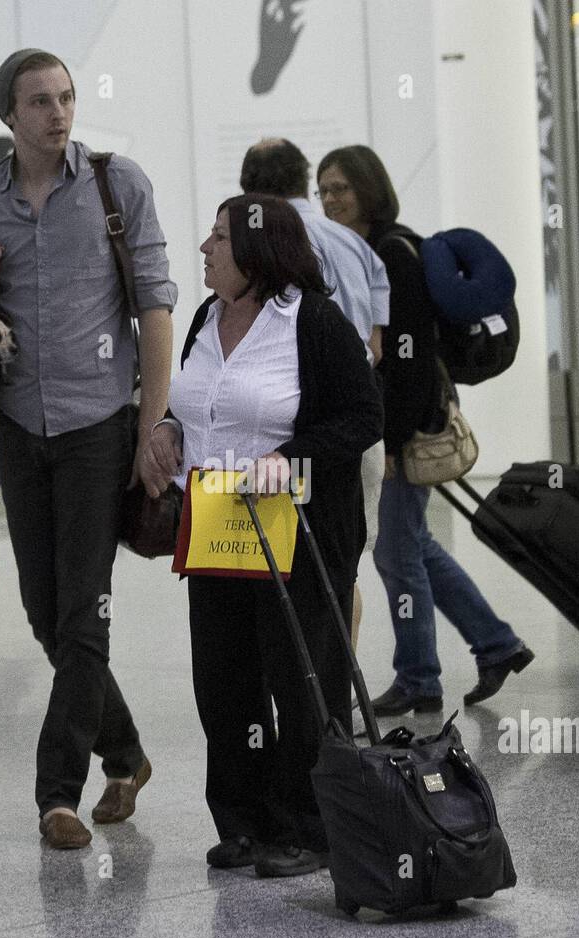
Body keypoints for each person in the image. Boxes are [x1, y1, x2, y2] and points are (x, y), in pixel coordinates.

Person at [0, 49, 178, 849]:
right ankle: (129, 752)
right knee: (47, 615)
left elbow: (154, 309)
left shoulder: (118, 186)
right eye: (40, 101)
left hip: (98, 427)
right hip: (16, 426)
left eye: (67, 98)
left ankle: (57, 793)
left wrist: (155, 424)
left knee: (85, 611)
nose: (58, 113)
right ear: (9, 114)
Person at [146, 194, 383, 877]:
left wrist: (290, 457)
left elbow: (365, 416)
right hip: (218, 523)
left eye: (218, 237)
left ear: (257, 251)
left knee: (302, 676)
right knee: (224, 678)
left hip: (298, 531)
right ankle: (244, 818)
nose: (204, 249)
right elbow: (200, 403)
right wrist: (167, 428)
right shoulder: (206, 317)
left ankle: (310, 825)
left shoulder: (312, 322)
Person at [317, 144, 533, 717]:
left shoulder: (393, 255)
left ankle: (419, 678)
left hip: (405, 427)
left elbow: (408, 362)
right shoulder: (360, 251)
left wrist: (388, 441)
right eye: (324, 189)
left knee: (395, 554)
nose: (331, 199)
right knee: (414, 546)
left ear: (369, 188)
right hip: (393, 423)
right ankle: (496, 644)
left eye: (341, 187)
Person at [240, 137, 389, 647]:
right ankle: (335, 697)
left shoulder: (269, 245)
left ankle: (323, 698)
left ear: (247, 191)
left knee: (307, 572)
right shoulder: (349, 240)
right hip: (358, 423)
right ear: (303, 180)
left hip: (301, 432)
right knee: (342, 568)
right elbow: (376, 337)